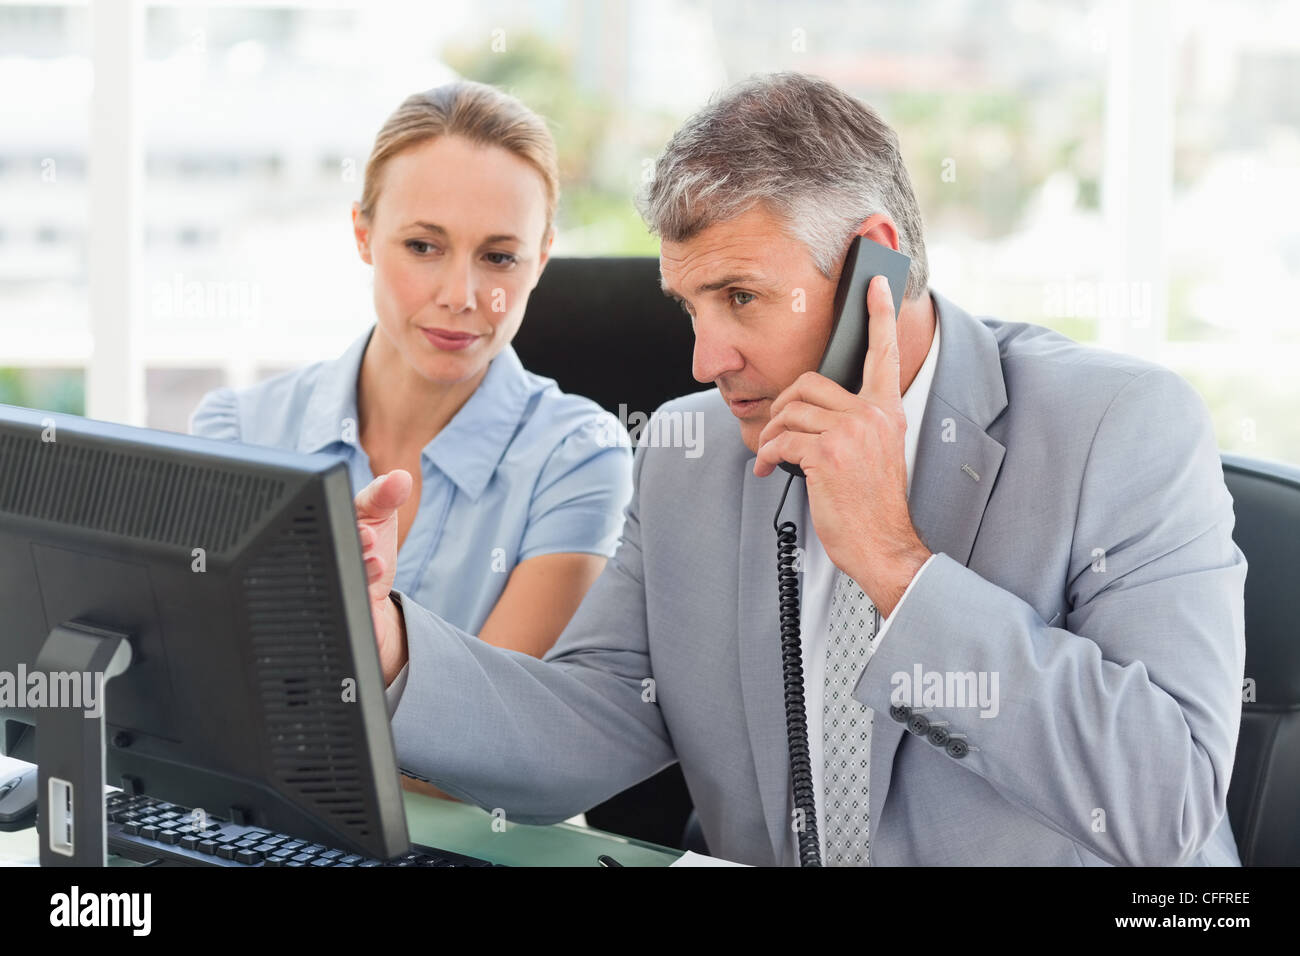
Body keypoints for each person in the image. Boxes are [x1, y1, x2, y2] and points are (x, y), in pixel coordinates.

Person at [363, 72, 1246, 866]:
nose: (706, 360)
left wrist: (897, 565)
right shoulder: (690, 455)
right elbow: (589, 725)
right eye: (690, 306)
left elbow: (1165, 807)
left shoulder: (1120, 429)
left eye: (741, 298)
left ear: (875, 261)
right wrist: (393, 647)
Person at [190, 81, 632, 666]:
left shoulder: (580, 457)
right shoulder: (238, 431)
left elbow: (488, 726)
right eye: (424, 246)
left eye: (499, 257)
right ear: (363, 234)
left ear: (541, 259)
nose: (459, 296)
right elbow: (203, 679)